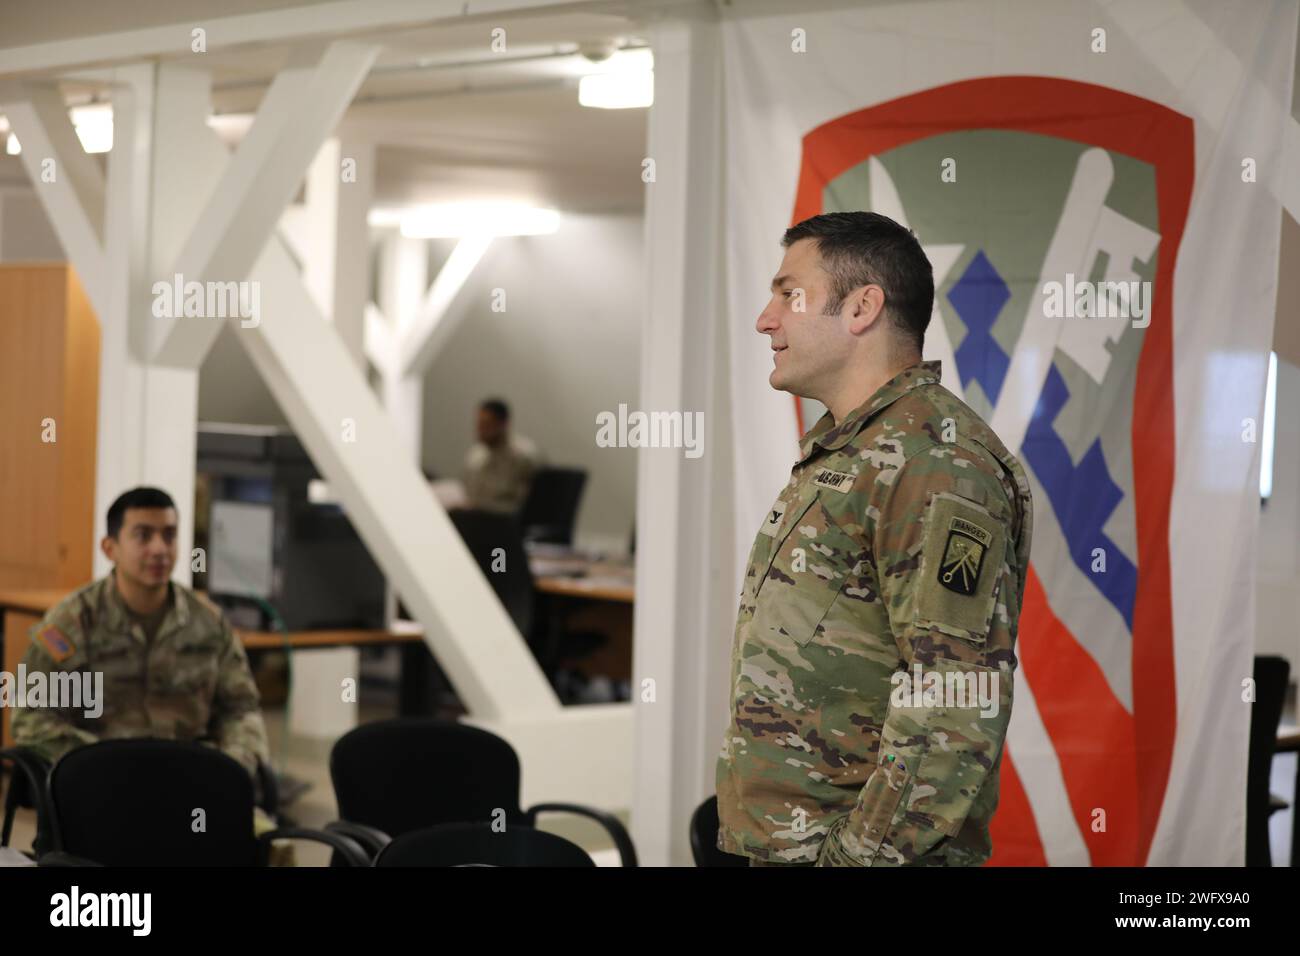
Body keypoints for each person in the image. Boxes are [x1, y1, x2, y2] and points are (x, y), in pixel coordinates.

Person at [716, 212, 1033, 867]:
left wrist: (854, 859)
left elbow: (952, 698)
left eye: (788, 294)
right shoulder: (856, 449)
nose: (765, 319)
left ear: (861, 307)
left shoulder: (934, 463)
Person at [12, 487, 279, 855]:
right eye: (143, 535)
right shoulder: (72, 623)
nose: (159, 548)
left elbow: (241, 709)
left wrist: (227, 771)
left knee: (274, 847)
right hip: (104, 790)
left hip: (193, 787)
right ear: (110, 547)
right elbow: (30, 717)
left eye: (169, 535)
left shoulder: (208, 623)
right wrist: (105, 764)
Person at [462, 398, 542, 514]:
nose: (481, 430)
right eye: (480, 424)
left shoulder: (524, 456)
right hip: (479, 514)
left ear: (503, 424)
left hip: (506, 520)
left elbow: (527, 502)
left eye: (487, 424)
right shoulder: (476, 455)